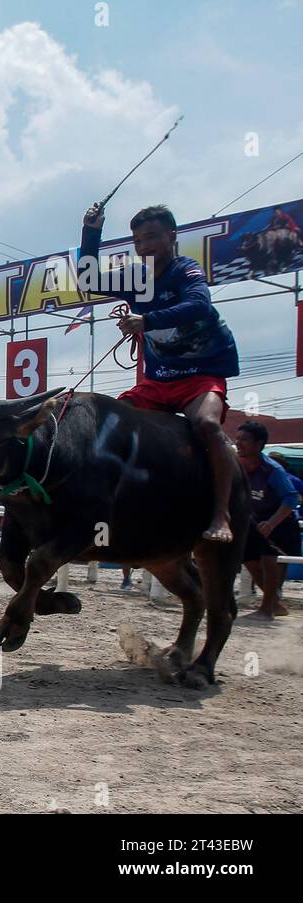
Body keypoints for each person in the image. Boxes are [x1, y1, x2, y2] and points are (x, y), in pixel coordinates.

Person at [79, 202, 240, 543]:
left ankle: (222, 512)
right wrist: (91, 232)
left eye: (151, 237)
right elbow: (87, 279)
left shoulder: (186, 270)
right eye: (137, 241)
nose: (144, 246)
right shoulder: (136, 280)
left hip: (202, 374)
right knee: (108, 426)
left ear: (172, 236)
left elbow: (199, 305)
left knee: (208, 425)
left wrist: (146, 320)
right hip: (158, 379)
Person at [236, 421, 300, 620]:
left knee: (268, 561)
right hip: (256, 522)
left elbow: (291, 498)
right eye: (237, 439)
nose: (238, 443)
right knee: (248, 559)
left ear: (259, 444)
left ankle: (266, 610)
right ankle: (275, 604)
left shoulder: (272, 470)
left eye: (244, 439)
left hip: (279, 522)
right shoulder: (239, 464)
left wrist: (271, 523)